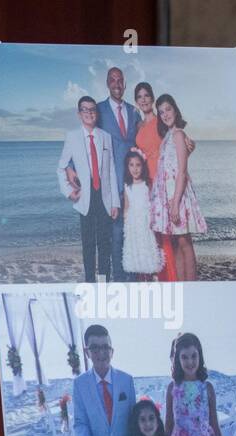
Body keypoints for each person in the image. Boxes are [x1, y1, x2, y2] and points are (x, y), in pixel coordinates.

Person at [57, 97, 119, 283]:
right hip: (85, 198)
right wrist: (69, 192)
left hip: (104, 198)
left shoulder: (105, 136)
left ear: (96, 113)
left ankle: (103, 281)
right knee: (88, 244)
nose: (89, 112)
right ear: (79, 114)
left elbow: (111, 171)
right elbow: (61, 167)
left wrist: (115, 202)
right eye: (85, 110)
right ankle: (90, 282)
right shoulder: (73, 137)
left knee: (104, 243)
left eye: (92, 109)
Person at [149, 94, 206, 281]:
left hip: (177, 194)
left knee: (184, 242)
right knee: (176, 242)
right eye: (161, 112)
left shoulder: (179, 134)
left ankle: (192, 286)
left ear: (175, 109)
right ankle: (183, 286)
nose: (165, 114)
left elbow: (182, 172)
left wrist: (175, 204)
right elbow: (173, 165)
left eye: (168, 109)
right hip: (169, 195)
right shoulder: (167, 137)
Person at [97, 67, 141, 280]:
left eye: (120, 80)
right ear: (107, 83)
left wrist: (179, 136)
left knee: (131, 233)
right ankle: (119, 279)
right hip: (111, 184)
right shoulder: (98, 110)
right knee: (116, 234)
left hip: (133, 182)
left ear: (124, 84)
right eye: (112, 79)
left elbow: (148, 139)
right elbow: (87, 139)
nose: (116, 83)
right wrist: (71, 168)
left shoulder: (134, 111)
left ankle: (132, 279)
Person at [71, 324, 135, 436]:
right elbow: (80, 422)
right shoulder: (80, 384)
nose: (101, 353)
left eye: (105, 347)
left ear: (112, 351)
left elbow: (134, 418)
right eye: (95, 348)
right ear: (87, 352)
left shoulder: (127, 380)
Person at [121, 151, 164, 280]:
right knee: (136, 248)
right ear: (127, 167)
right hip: (133, 223)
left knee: (147, 247)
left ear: (143, 166)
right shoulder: (127, 186)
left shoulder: (147, 184)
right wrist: (126, 224)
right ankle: (140, 275)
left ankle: (152, 274)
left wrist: (153, 220)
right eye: (131, 165)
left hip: (146, 222)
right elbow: (126, 206)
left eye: (138, 165)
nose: (135, 169)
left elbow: (153, 203)